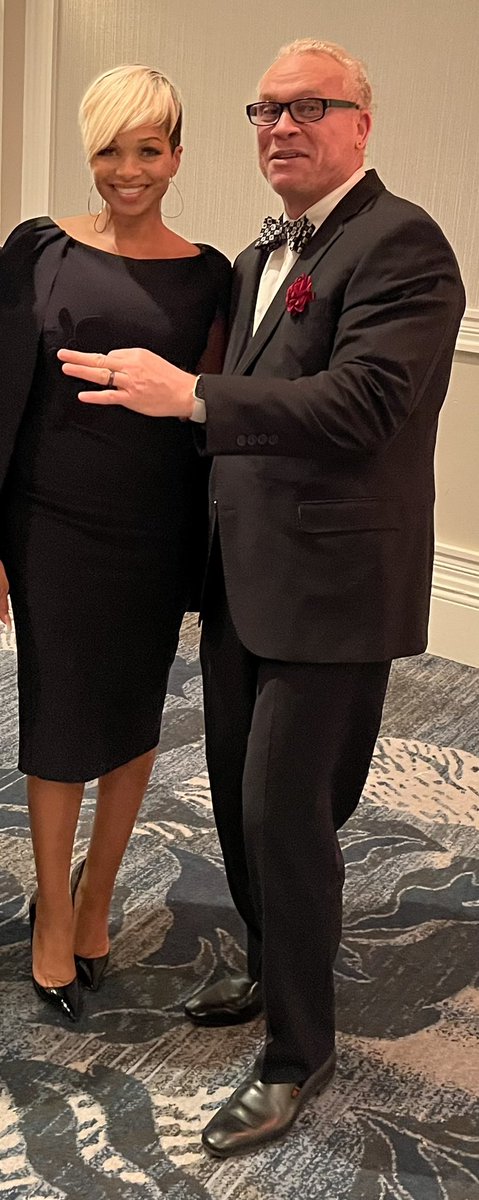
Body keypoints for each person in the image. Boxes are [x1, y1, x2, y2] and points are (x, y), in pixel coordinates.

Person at [58, 38, 465, 1154]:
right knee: (241, 797)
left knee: (288, 811)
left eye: (309, 107)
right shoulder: (257, 254)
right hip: (244, 575)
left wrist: (190, 393)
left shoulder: (402, 242)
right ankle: (267, 956)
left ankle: (297, 1054)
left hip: (332, 585)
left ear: (359, 124)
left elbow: (362, 404)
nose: (282, 126)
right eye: (266, 110)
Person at [0, 64, 230, 1024]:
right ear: (88, 154)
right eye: (108, 150)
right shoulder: (37, 248)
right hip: (49, 522)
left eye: (147, 150)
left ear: (176, 156)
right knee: (58, 719)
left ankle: (97, 898)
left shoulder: (211, 274)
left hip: (153, 527)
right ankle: (53, 915)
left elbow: (212, 415)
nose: (126, 170)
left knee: (134, 717)